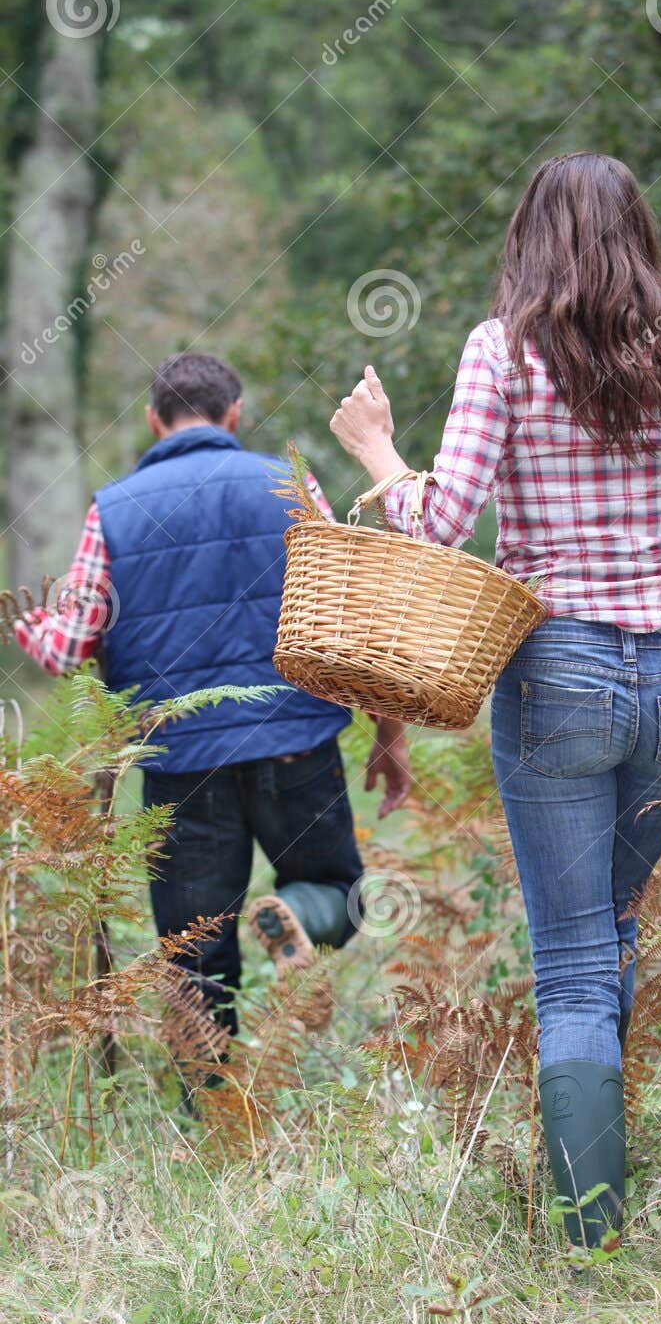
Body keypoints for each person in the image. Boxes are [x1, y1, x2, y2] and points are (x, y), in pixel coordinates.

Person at [330, 152, 661, 1248]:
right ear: (641, 235)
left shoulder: (502, 350)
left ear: (529, 239)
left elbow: (441, 524)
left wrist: (376, 447)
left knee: (574, 961)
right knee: (610, 924)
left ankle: (589, 1239)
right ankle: (603, 1191)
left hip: (558, 668)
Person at [17, 351, 411, 1082]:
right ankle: (297, 914)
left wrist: (29, 625)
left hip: (180, 763)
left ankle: (212, 1110)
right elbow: (349, 614)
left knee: (192, 953)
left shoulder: (113, 508)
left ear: (152, 419)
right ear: (234, 414)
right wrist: (391, 735)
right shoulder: (288, 484)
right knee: (341, 895)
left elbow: (67, 646)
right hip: (295, 741)